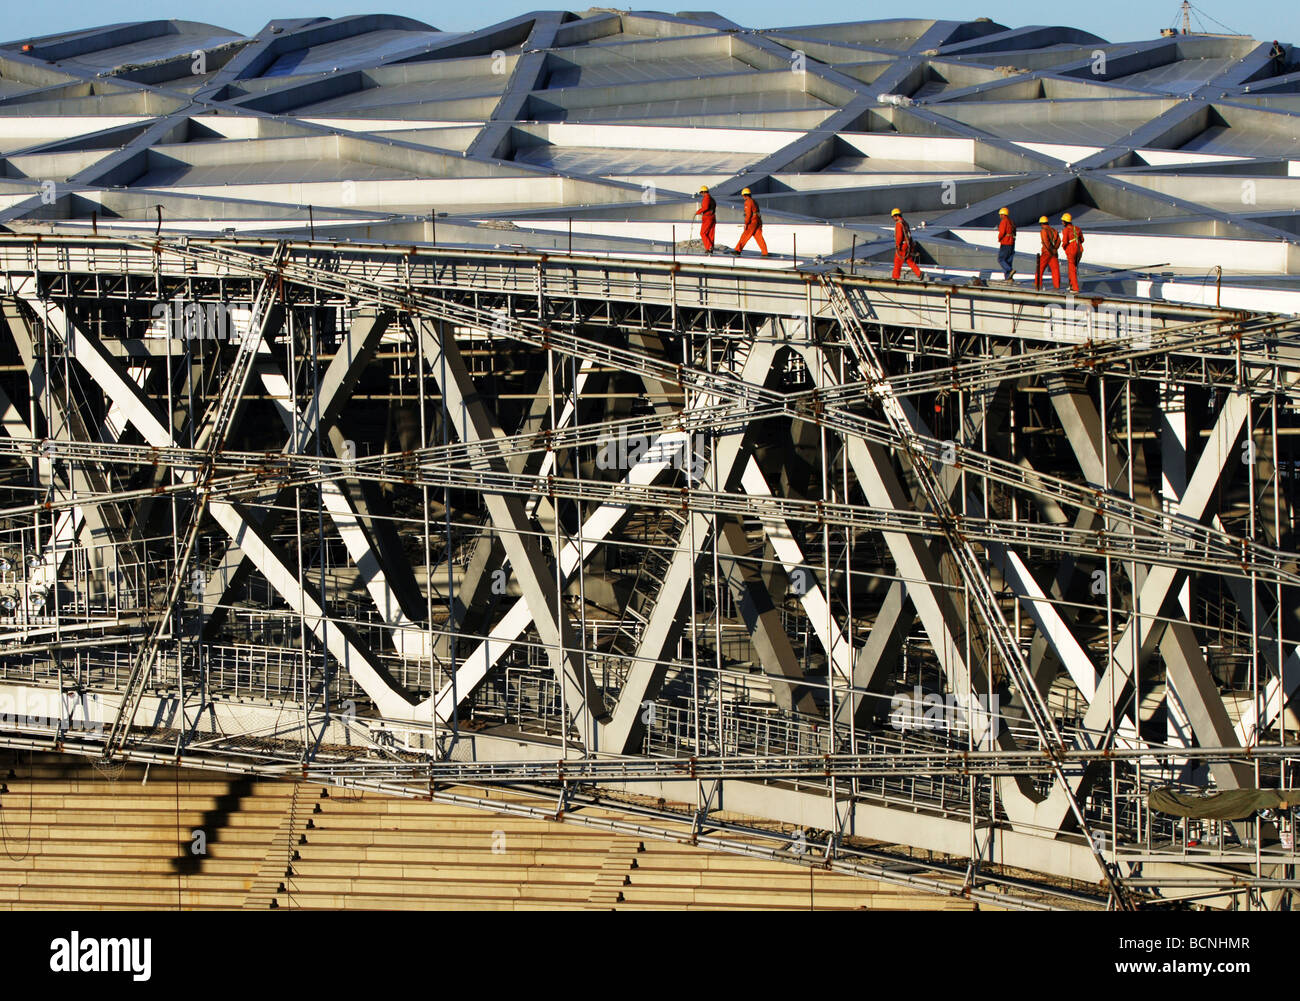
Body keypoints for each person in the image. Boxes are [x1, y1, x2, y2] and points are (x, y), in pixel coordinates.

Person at [732, 188, 767, 256]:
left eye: (743, 196)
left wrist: (746, 223)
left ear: (745, 195)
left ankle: (738, 250)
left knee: (745, 235)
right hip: (758, 220)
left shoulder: (748, 202)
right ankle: (765, 252)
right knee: (758, 237)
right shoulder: (754, 201)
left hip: (752, 221)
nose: (743, 197)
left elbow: (748, 214)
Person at [891, 208, 923, 280]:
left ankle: (895, 278)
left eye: (893, 216)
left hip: (902, 246)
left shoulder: (899, 224)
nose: (893, 218)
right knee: (908, 260)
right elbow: (908, 234)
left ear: (896, 216)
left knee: (897, 262)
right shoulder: (904, 222)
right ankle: (919, 273)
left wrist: (898, 246)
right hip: (908, 245)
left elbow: (899, 236)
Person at [1035, 215, 1061, 291]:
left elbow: (1046, 242)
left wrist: (1050, 250)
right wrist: (1055, 249)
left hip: (1046, 252)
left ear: (1042, 223)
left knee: (1040, 269)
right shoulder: (1054, 230)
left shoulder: (1043, 231)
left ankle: (1038, 284)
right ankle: (1057, 286)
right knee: (1055, 270)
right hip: (1054, 253)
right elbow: (1059, 241)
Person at [1061, 212, 1084, 292]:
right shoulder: (1077, 228)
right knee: (1073, 267)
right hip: (1079, 249)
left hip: (1072, 250)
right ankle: (1071, 285)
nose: (1062, 222)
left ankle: (1075, 288)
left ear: (1065, 222)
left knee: (1072, 269)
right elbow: (1082, 240)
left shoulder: (1066, 230)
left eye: (1062, 221)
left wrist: (1064, 248)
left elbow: (1065, 242)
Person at [693, 185, 716, 253]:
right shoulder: (712, 199)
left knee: (703, 233)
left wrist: (698, 212)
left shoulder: (706, 198)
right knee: (710, 233)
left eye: (701, 192)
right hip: (712, 217)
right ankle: (711, 247)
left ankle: (709, 247)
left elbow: (705, 207)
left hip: (707, 217)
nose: (701, 194)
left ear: (703, 192)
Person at [996, 207, 1016, 281]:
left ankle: (1010, 270)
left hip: (1005, 243)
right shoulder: (1011, 221)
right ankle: (1008, 278)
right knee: (1008, 260)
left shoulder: (1004, 221)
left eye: (1000, 214)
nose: (1000, 216)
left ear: (1003, 214)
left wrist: (999, 239)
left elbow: (1002, 232)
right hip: (1012, 243)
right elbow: (1014, 232)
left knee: (1001, 259)